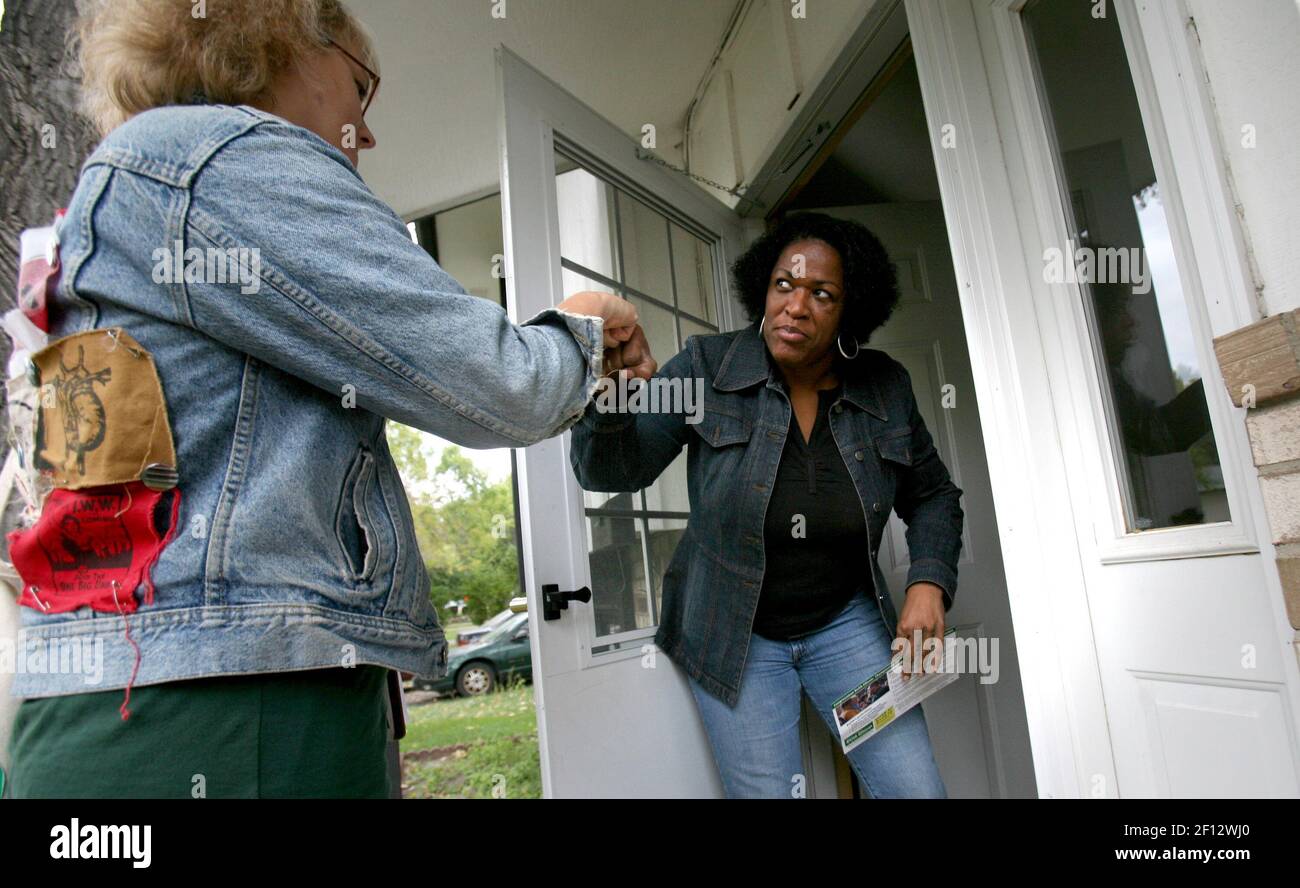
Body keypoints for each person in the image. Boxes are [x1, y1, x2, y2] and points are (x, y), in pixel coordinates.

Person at [4, 0, 650, 798]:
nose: (366, 131)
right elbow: (500, 386)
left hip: (128, 705)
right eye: (361, 86)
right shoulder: (226, 159)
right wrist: (581, 327)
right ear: (283, 38)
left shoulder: (132, 185)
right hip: (238, 711)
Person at [571, 211, 965, 798]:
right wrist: (611, 397)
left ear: (851, 311)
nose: (796, 307)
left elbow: (933, 494)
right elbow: (612, 470)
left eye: (821, 294)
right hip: (733, 634)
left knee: (917, 791)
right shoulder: (709, 369)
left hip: (846, 625)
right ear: (764, 287)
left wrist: (928, 584)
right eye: (785, 284)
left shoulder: (884, 387)